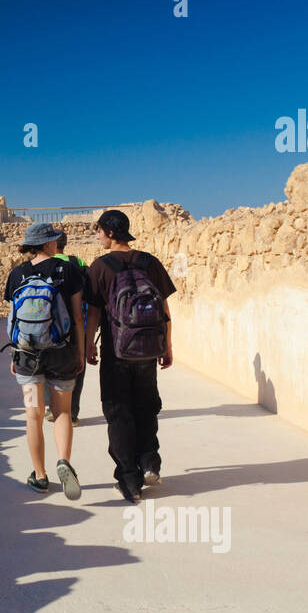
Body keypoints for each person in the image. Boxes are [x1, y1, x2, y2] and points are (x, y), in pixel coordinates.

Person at [83, 209, 176, 502]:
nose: (96, 236)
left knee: (119, 412)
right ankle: (150, 462)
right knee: (147, 406)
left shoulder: (100, 266)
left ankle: (129, 480)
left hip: (117, 351)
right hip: (148, 350)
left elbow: (95, 312)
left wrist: (89, 345)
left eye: (98, 231)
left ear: (111, 233)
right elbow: (165, 311)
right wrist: (167, 346)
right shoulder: (150, 262)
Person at [3, 222, 86, 499]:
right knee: (62, 411)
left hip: (27, 355)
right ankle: (64, 461)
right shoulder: (69, 270)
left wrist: (15, 353)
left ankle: (39, 476)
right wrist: (81, 351)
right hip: (62, 352)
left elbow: (14, 317)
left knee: (33, 414)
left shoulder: (17, 274)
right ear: (50, 244)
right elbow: (76, 317)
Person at [51, 231, 89, 424]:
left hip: (51, 326)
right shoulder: (79, 263)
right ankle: (72, 413)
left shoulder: (44, 264)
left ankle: (54, 409)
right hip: (76, 324)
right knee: (77, 368)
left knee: (51, 366)